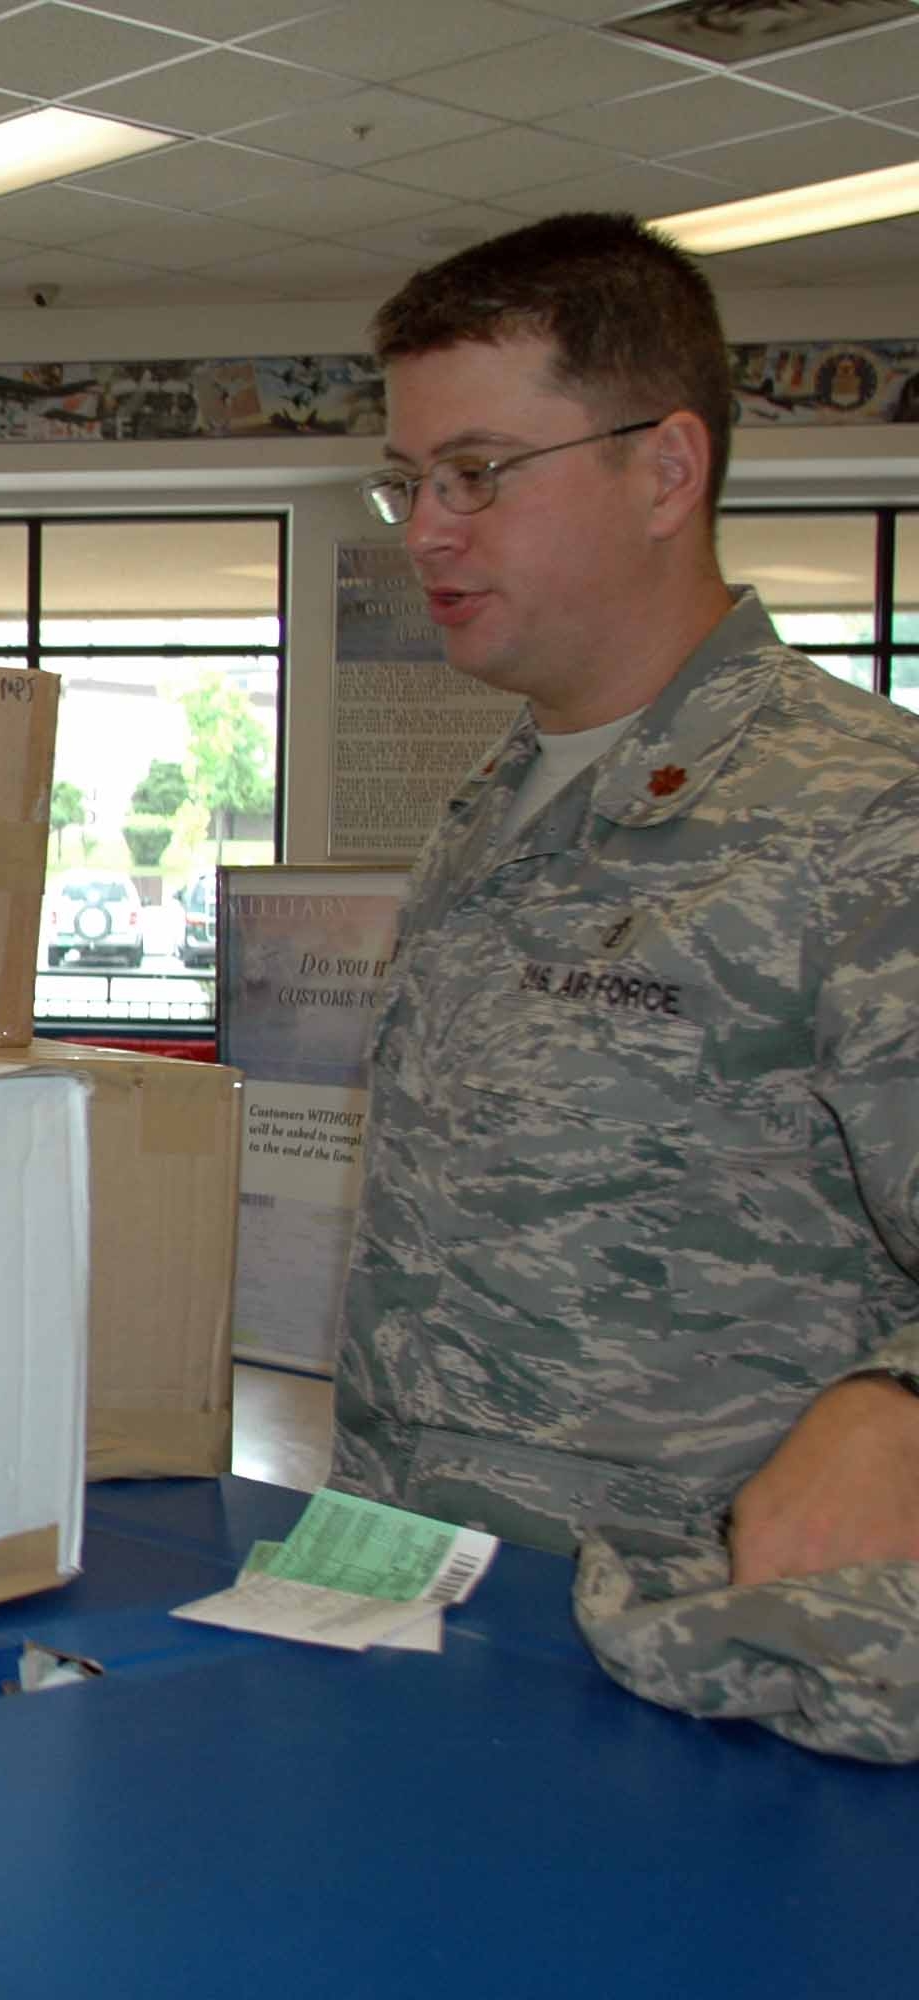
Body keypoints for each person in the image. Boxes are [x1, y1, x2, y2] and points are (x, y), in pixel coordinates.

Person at [336, 213, 919, 1756]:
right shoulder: (492, 811)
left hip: (709, 1685)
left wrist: (902, 1406)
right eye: (409, 482)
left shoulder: (869, 824)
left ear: (666, 470)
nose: (425, 533)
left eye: (477, 473)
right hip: (416, 1618)